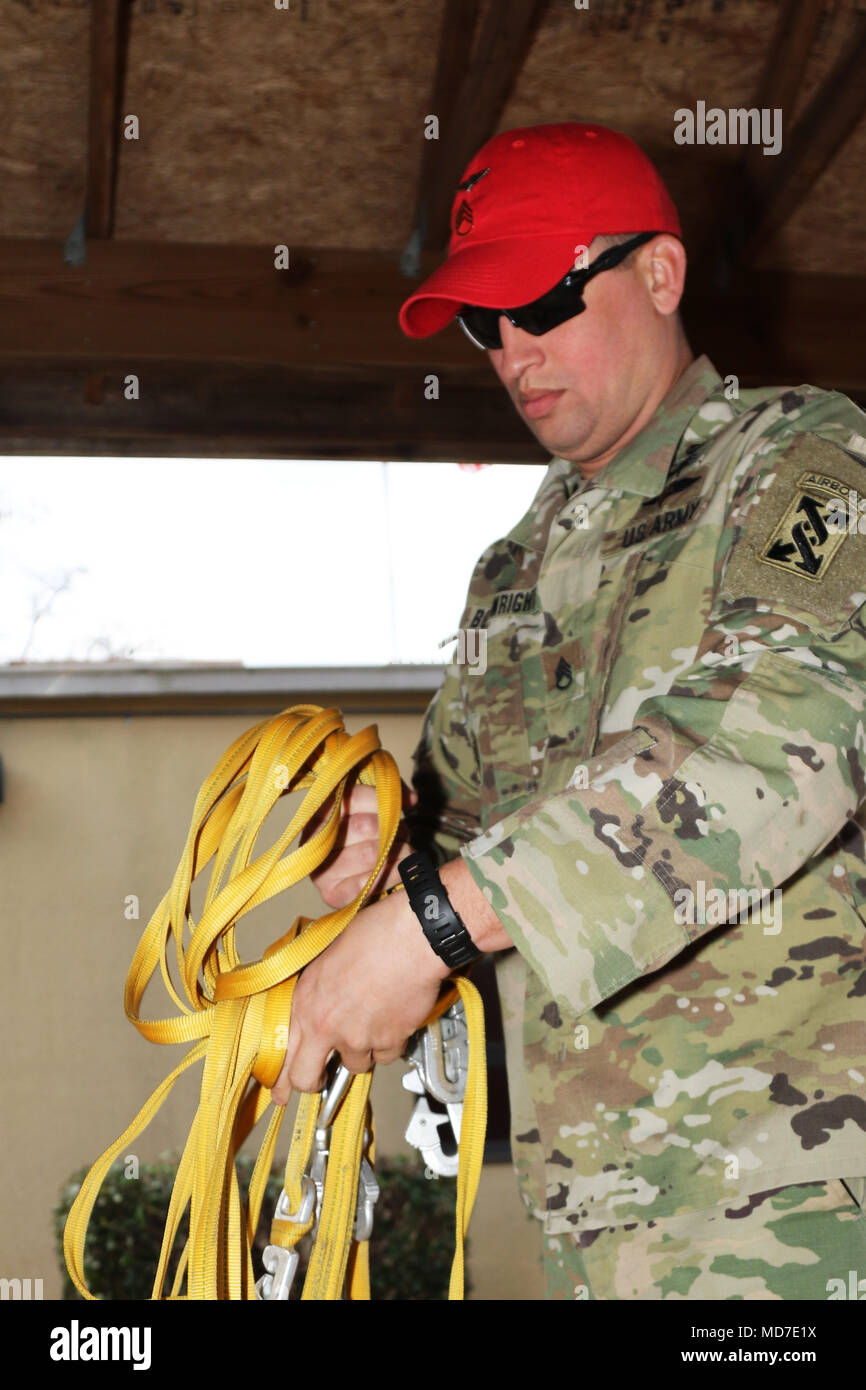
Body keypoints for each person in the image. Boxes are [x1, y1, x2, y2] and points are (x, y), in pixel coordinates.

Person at [272, 121, 866, 1300]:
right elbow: (461, 830)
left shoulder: (802, 460)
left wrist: (435, 925)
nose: (510, 351)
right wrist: (379, 845)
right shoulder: (516, 562)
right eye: (481, 324)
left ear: (659, 273)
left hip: (796, 1210)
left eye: (539, 303)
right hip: (595, 1214)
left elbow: (778, 739)